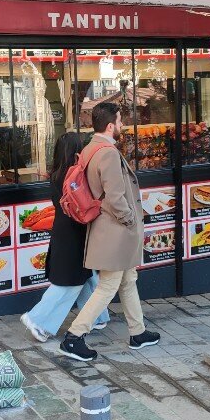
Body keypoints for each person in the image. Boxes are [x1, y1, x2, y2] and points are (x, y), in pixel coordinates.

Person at [59, 102, 160, 362]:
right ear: (110, 125)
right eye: (120, 121)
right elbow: (115, 197)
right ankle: (74, 337)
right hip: (116, 230)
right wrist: (131, 221)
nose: (122, 125)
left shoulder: (90, 148)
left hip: (108, 229)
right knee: (108, 285)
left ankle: (138, 332)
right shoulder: (108, 153)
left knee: (128, 279)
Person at [20, 132, 109, 342]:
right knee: (71, 281)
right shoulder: (76, 175)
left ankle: (96, 317)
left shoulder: (56, 175)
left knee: (86, 276)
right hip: (75, 232)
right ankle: (37, 319)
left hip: (63, 230)